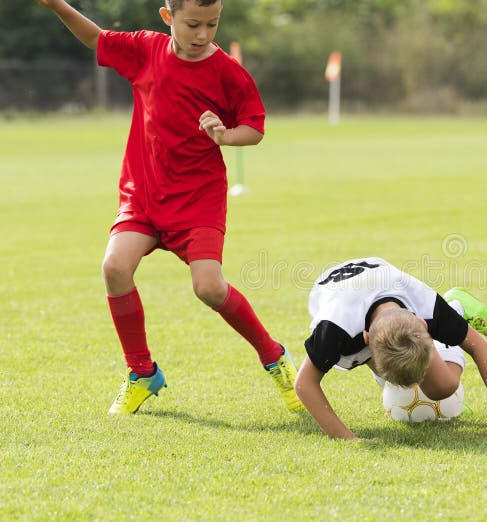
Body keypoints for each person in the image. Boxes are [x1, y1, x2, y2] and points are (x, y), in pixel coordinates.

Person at [35, 0, 303, 414]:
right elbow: (95, 37)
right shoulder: (145, 49)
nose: (202, 34)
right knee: (114, 267)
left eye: (212, 24)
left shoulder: (228, 71)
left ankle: (274, 357)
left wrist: (224, 136)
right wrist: (56, 5)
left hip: (198, 200)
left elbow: (254, 128)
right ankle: (141, 372)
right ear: (168, 17)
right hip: (143, 194)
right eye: (193, 24)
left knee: (209, 287)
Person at [294, 257, 487, 440]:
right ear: (366, 340)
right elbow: (304, 384)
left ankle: (456, 307)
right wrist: (346, 438)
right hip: (342, 293)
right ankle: (387, 368)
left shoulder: (428, 306)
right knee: (397, 380)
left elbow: (480, 347)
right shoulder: (334, 332)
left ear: (423, 325)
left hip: (383, 283)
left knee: (444, 386)